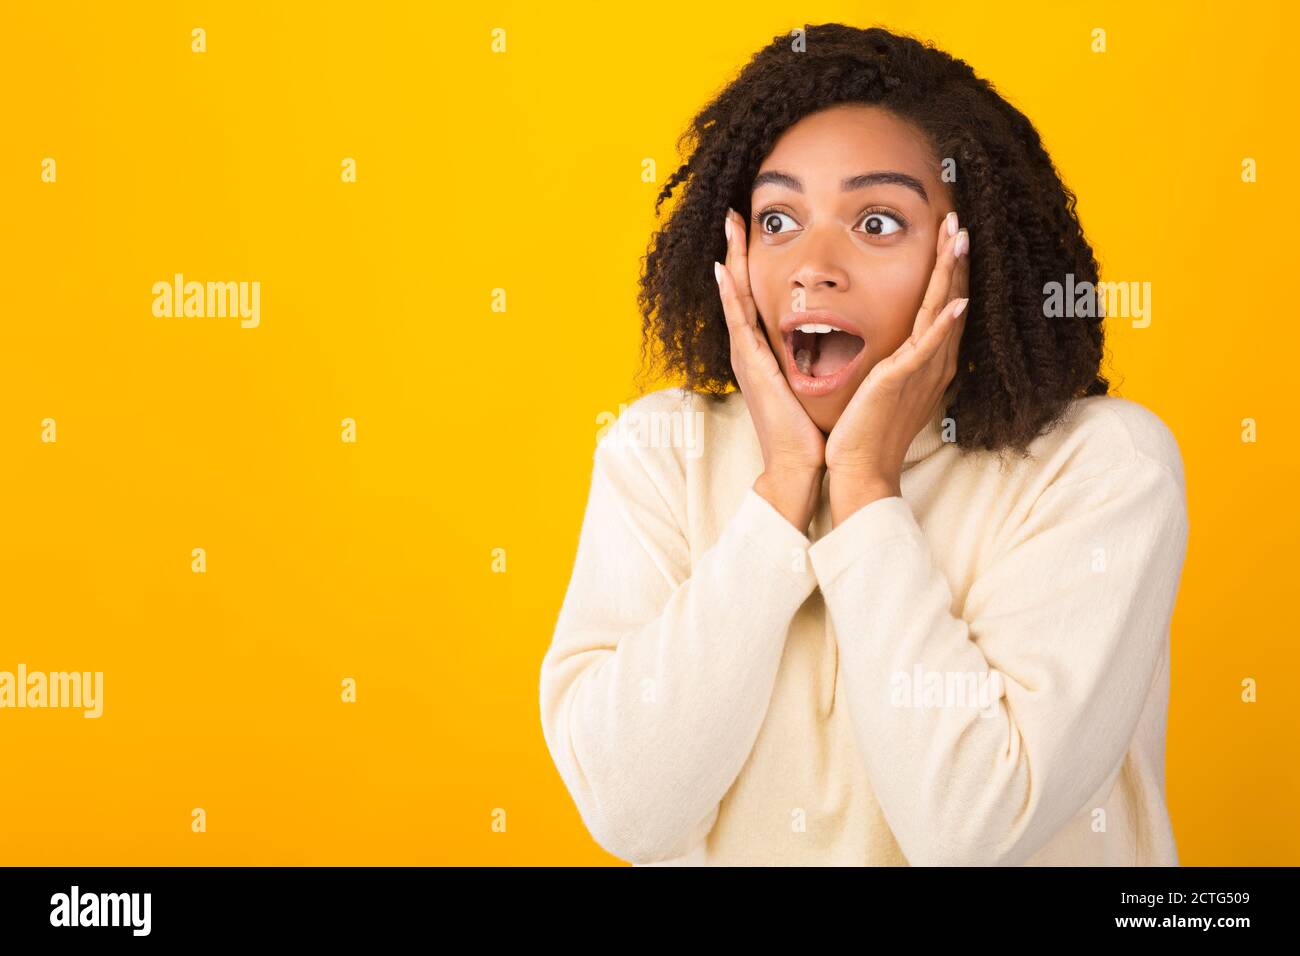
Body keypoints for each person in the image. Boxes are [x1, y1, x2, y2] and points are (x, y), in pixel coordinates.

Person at [538, 23, 1189, 866]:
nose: (814, 266)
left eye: (877, 222)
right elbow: (628, 813)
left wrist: (864, 484)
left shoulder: (1101, 468)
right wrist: (780, 491)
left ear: (969, 257)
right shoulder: (663, 454)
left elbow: (972, 828)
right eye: (778, 219)